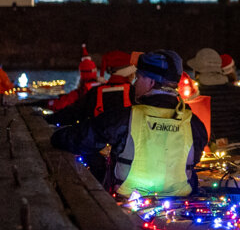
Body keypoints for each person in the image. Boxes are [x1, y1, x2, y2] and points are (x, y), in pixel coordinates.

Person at [50, 50, 208, 197]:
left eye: (138, 78)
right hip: (180, 208)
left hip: (129, 205)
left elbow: (75, 139)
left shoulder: (124, 118)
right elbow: (195, 158)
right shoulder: (194, 124)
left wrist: (56, 133)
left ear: (151, 82)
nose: (135, 83)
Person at [187, 48, 240, 144]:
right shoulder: (239, 92)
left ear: (196, 71)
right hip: (239, 148)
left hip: (208, 152)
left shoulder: (192, 96)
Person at [48, 50, 136, 128]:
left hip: (99, 140)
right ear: (130, 74)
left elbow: (73, 112)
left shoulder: (94, 93)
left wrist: (47, 118)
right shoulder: (134, 94)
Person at [48, 44, 100, 112]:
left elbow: (59, 104)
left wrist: (48, 103)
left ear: (81, 74)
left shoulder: (79, 93)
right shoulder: (104, 87)